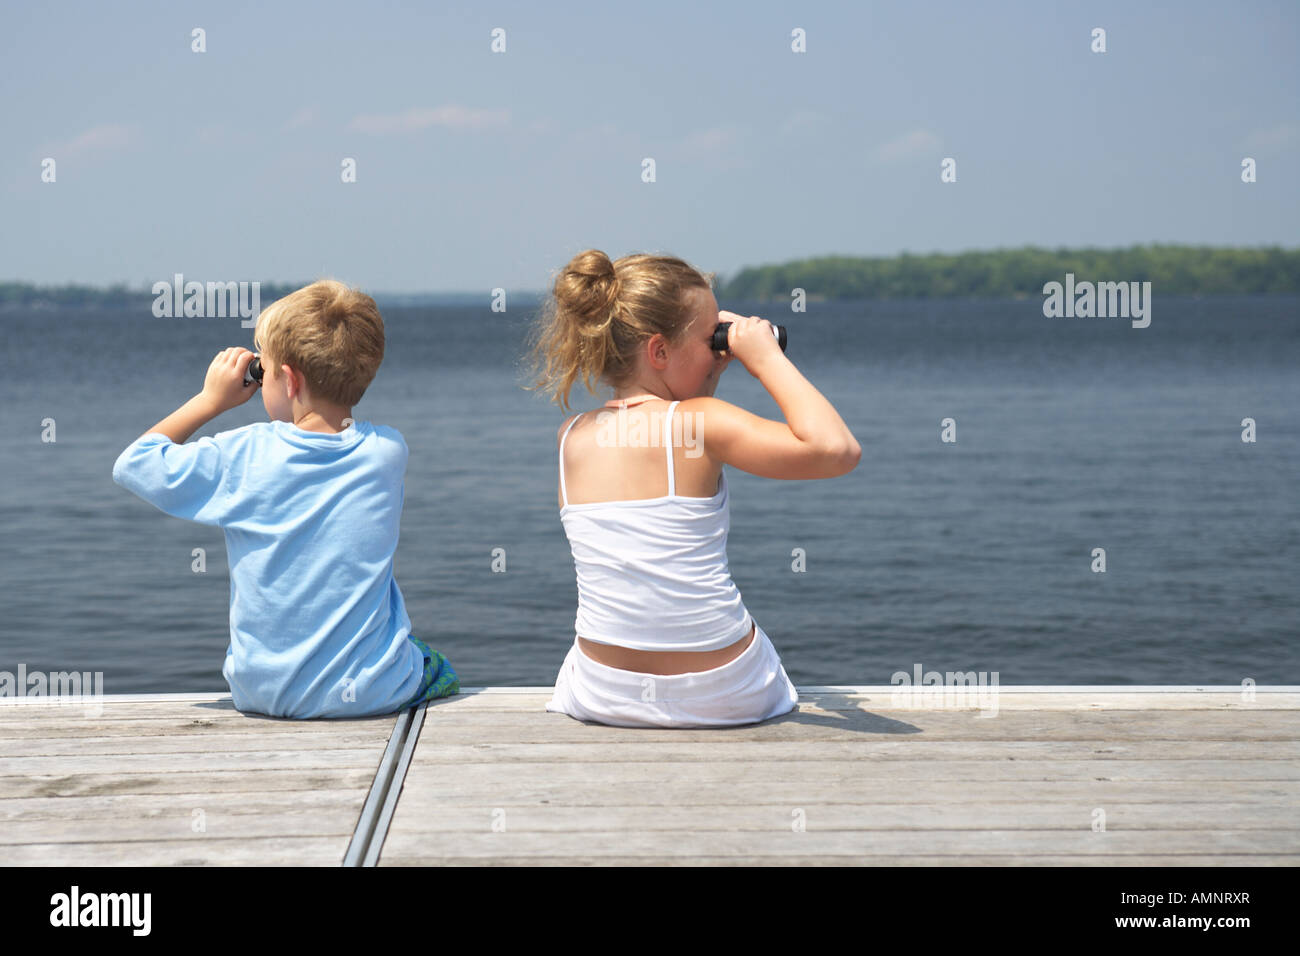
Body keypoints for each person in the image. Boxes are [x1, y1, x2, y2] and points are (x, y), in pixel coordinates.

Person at [527, 250, 860, 727]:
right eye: (712, 339)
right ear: (659, 351)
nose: (721, 350)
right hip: (723, 692)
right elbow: (837, 450)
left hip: (603, 691)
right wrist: (765, 359)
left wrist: (708, 372)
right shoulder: (702, 423)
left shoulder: (571, 437)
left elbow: (667, 431)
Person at [111, 280, 457, 718]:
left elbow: (134, 463)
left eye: (263, 370)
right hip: (368, 693)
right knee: (431, 661)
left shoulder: (242, 455)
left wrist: (210, 401)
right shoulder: (387, 452)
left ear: (289, 380)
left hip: (261, 694)